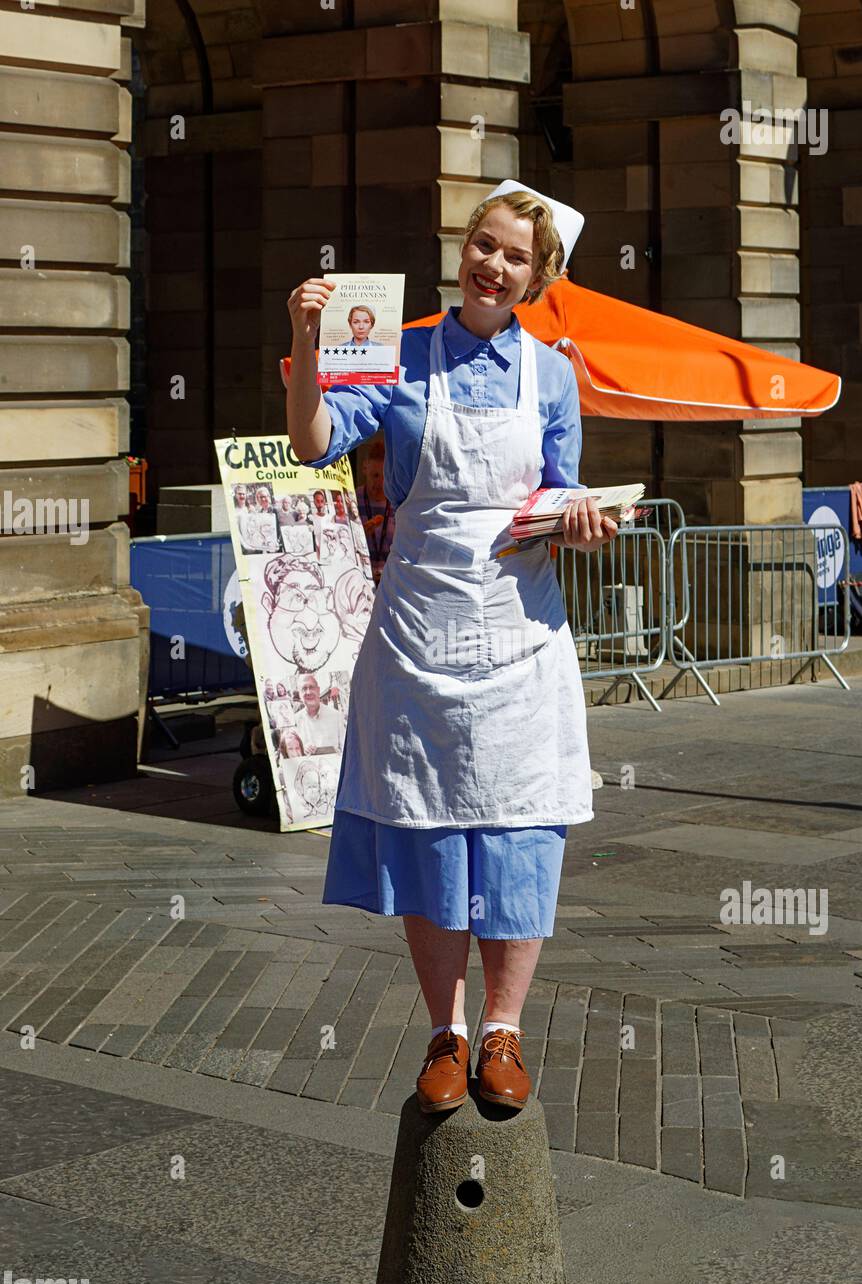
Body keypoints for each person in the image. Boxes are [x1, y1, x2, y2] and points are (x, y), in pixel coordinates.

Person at [286, 180, 615, 1116]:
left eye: (515, 257)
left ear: (537, 279)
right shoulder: (397, 355)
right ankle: (447, 1031)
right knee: (428, 830)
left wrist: (579, 523)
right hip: (417, 631)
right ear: (462, 249)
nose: (493, 265)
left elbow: (558, 496)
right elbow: (313, 442)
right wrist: (309, 345)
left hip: (519, 635)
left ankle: (505, 1030)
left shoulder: (552, 376)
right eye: (484, 244)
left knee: (517, 831)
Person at [357, 440, 394, 584]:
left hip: (390, 581)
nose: (379, 484)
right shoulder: (353, 500)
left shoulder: (398, 503)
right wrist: (361, 533)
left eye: (384, 477)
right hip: (361, 580)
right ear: (365, 468)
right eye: (375, 475)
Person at [294, 670, 341, 754]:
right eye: (304, 688)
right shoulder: (295, 721)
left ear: (318, 690)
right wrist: (302, 749)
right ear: (300, 694)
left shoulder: (336, 716)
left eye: (311, 687)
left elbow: (346, 748)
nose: (308, 692)